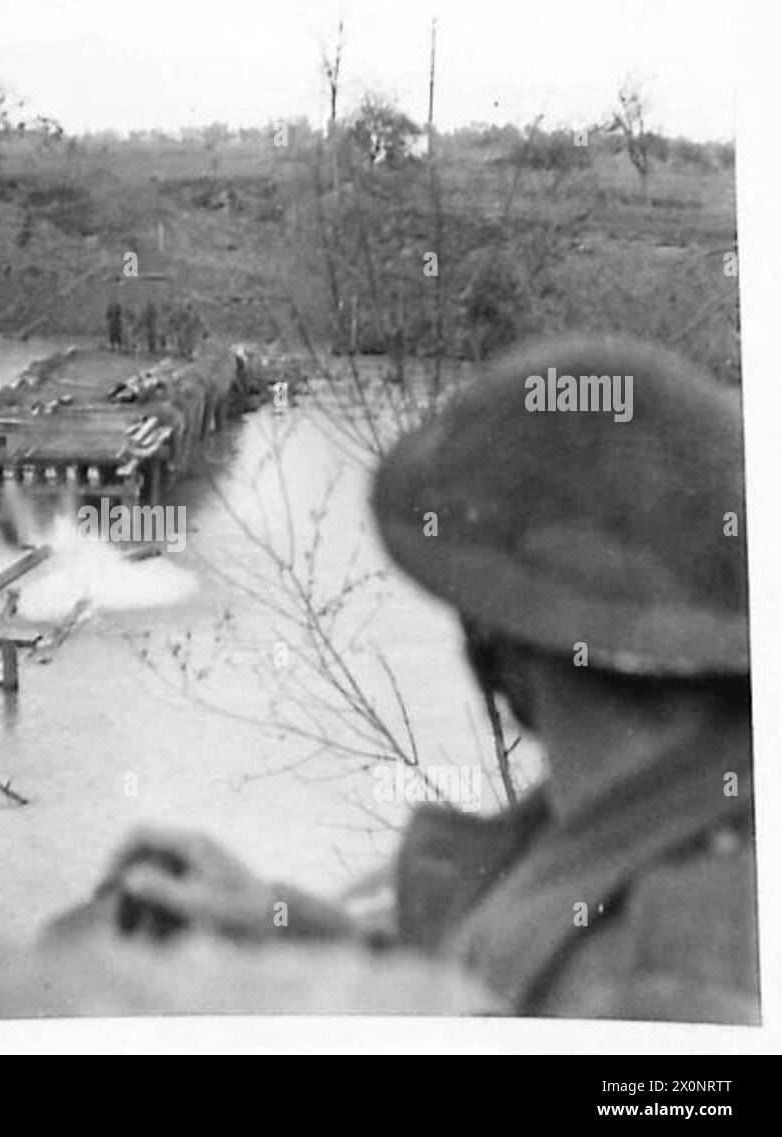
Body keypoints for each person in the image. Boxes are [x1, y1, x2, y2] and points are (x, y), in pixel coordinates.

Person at [70, 333, 757, 1023]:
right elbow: (494, 990)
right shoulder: (636, 816)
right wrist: (282, 923)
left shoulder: (672, 971)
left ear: (497, 643)